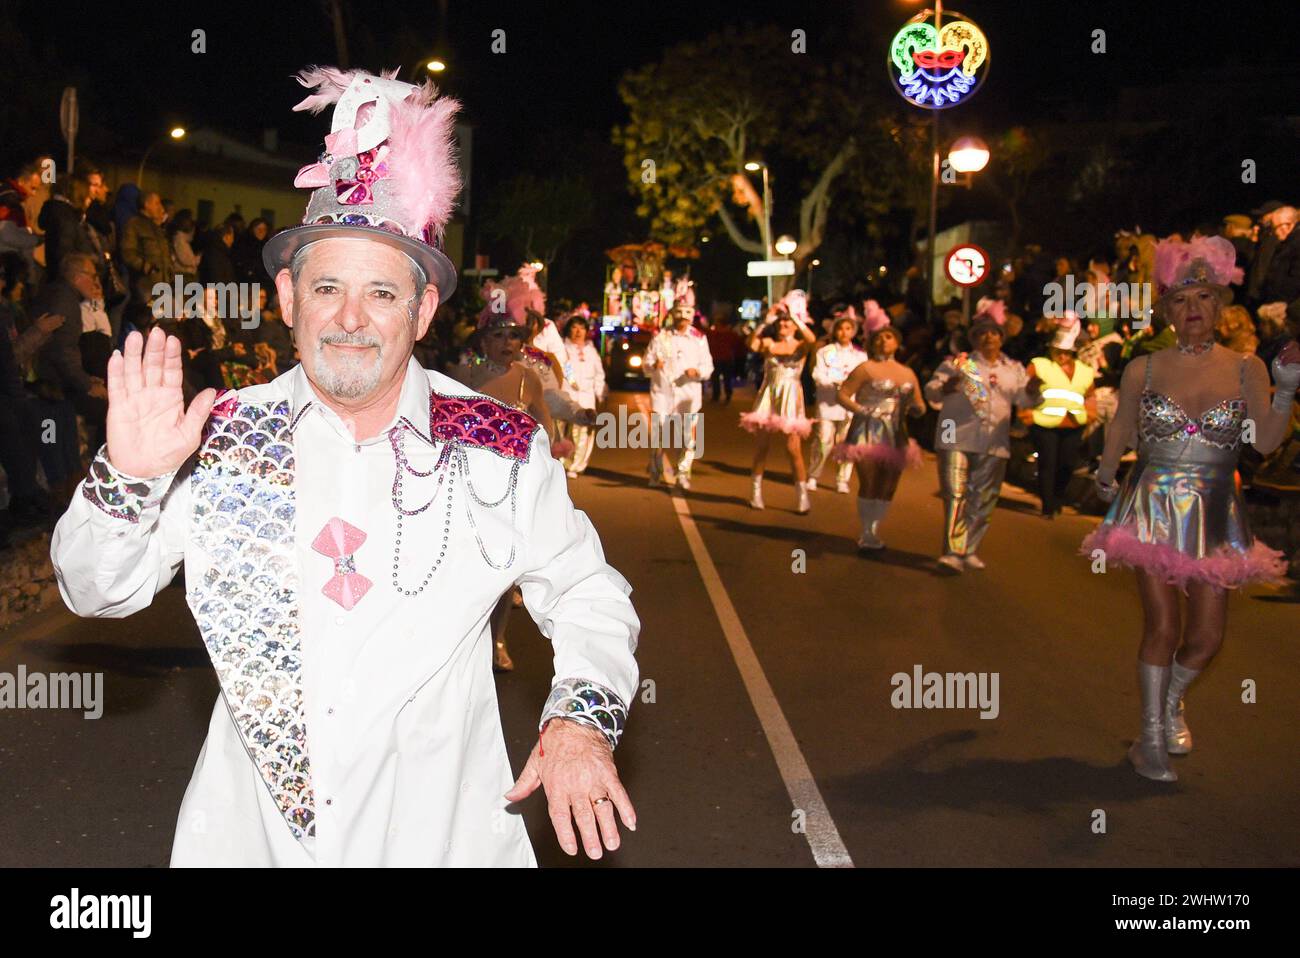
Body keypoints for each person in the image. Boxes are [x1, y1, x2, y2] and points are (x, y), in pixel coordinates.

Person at [51, 66, 640, 866]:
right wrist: (129, 480)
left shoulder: (495, 444)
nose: (351, 319)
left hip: (442, 843)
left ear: (423, 311)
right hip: (251, 845)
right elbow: (94, 590)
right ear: (289, 299)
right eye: (327, 287)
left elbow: (587, 592)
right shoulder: (222, 437)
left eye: (382, 294)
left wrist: (579, 720)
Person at [1082, 235, 1298, 783]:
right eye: (1181, 299)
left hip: (1216, 509)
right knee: (1162, 626)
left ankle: (1172, 700)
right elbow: (1121, 429)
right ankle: (1149, 739)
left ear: (1221, 306)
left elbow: (1267, 442)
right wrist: (1106, 477)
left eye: (1203, 297)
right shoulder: (1144, 369)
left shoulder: (1247, 368)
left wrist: (1288, 389)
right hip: (1152, 503)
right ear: (1167, 310)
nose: (1194, 309)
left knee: (1206, 639)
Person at [924, 302, 1032, 572]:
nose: (988, 337)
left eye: (994, 332)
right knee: (955, 493)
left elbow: (1025, 399)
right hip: (955, 436)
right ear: (974, 337)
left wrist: (1036, 390)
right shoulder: (959, 363)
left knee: (983, 498)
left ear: (1001, 337)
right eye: (982, 333)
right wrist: (946, 386)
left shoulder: (1013, 368)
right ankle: (953, 551)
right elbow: (932, 391)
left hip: (994, 441)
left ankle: (969, 547)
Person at [833, 322, 925, 551]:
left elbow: (919, 404)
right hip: (866, 430)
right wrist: (862, 410)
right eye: (879, 338)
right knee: (870, 480)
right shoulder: (865, 368)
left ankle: (875, 528)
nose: (884, 341)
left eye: (889, 337)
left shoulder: (907, 372)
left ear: (897, 342)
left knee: (889, 484)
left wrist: (916, 409)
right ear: (872, 344)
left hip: (896, 432)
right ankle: (866, 531)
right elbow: (843, 395)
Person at [740, 290, 817, 512]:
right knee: (762, 447)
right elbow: (751, 344)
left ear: (795, 325)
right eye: (781, 322)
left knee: (793, 448)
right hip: (769, 395)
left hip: (791, 396)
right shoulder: (767, 342)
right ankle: (755, 492)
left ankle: (802, 496)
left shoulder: (801, 346)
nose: (784, 325)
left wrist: (794, 317)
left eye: (788, 323)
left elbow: (811, 339)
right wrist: (766, 321)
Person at [1024, 312, 1096, 518]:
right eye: (1058, 351)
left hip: (1073, 424)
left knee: (1067, 464)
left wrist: (1090, 414)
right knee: (1048, 462)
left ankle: (1057, 498)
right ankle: (1048, 505)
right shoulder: (1039, 365)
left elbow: (1090, 396)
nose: (1062, 356)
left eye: (1066, 352)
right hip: (1044, 423)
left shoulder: (1084, 370)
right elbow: (1024, 391)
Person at [645, 302, 712, 490]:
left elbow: (708, 366)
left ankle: (683, 472)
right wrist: (653, 365)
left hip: (687, 396)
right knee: (658, 437)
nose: (682, 317)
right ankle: (655, 472)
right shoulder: (660, 336)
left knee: (688, 438)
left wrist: (697, 371)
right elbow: (646, 362)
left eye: (687, 314)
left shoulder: (699, 338)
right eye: (679, 313)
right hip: (663, 394)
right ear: (673, 314)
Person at [806, 308, 869, 494]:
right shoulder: (826, 352)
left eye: (848, 328)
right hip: (827, 403)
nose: (844, 332)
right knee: (823, 440)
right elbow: (817, 374)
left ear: (854, 331)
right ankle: (814, 475)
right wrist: (834, 382)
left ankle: (843, 478)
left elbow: (863, 379)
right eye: (841, 328)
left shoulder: (860, 355)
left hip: (849, 405)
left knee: (846, 442)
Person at [557, 315, 606, 478]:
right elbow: (562, 367)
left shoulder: (591, 351)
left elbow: (599, 374)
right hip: (566, 395)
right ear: (568, 329)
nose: (578, 332)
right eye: (574, 327)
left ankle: (577, 465)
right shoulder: (561, 348)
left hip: (586, 398)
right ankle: (561, 462)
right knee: (561, 431)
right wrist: (570, 381)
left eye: (582, 328)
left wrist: (600, 393)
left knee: (583, 432)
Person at [121, 192, 177, 306]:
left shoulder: (157, 228)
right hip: (145, 285)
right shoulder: (134, 224)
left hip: (163, 284)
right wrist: (146, 267)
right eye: (157, 203)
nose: (161, 207)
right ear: (147, 205)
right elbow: (128, 252)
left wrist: (170, 270)